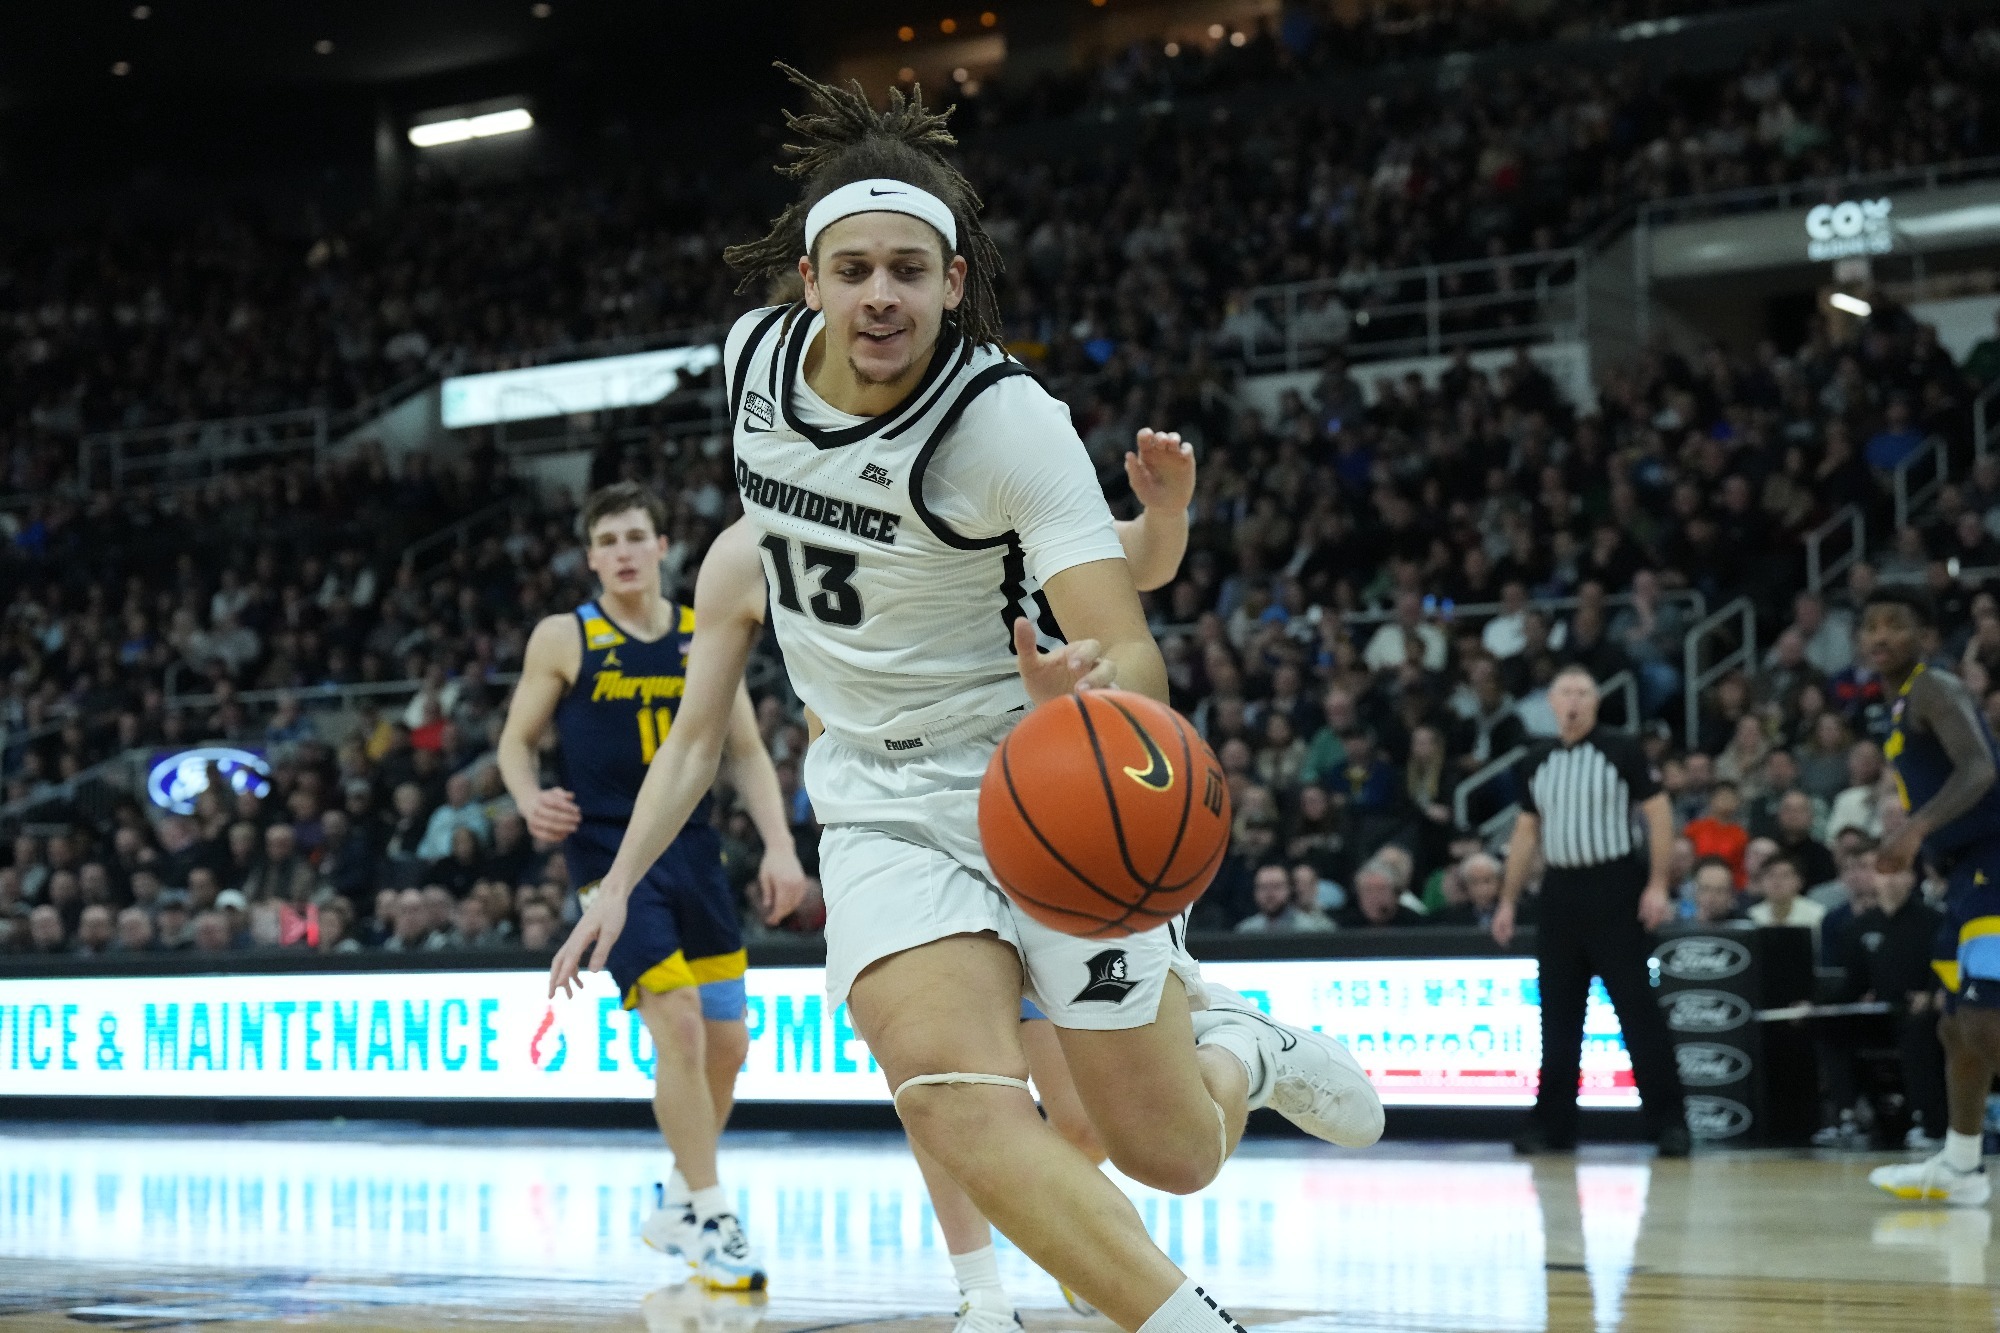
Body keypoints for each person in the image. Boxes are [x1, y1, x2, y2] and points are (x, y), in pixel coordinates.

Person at [552, 68, 1380, 1333]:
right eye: (853, 268)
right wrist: (613, 884)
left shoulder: (1004, 423)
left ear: (951, 283)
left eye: (908, 269)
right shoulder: (750, 368)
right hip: (876, 795)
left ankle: (1246, 1054)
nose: (879, 293)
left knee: (1164, 1149)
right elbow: (705, 732)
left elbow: (1132, 647)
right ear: (809, 282)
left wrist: (1090, 702)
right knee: (942, 1088)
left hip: (1029, 774)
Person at [498, 481, 809, 1291]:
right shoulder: (566, 637)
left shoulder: (702, 632)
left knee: (728, 1044)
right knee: (676, 1025)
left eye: (637, 534)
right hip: (607, 859)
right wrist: (531, 800)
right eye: (608, 540)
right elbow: (514, 743)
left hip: (695, 851)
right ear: (591, 555)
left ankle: (676, 1195)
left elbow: (742, 750)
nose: (624, 551)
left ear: (663, 545)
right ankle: (712, 1210)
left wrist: (779, 846)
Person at [1492, 665, 1690, 1156]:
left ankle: (1668, 1122)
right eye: (1566, 693)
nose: (1575, 701)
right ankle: (1552, 1126)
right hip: (1559, 893)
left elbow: (1658, 812)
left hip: (1614, 887)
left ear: (1596, 701)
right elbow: (1524, 833)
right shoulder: (1535, 760)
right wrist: (1508, 900)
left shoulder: (1621, 748)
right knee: (1558, 1016)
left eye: (1583, 691)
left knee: (1636, 1011)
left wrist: (1658, 883)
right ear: (1552, 704)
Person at [1861, 587, 2000, 1206]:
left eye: (1895, 624)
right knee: (1954, 1029)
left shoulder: (1933, 687)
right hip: (1964, 874)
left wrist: (1915, 829)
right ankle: (1963, 1168)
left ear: (1926, 637)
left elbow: (1979, 769)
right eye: (1870, 627)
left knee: (1984, 1019)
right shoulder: (1898, 705)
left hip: (1993, 864)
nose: (1880, 636)